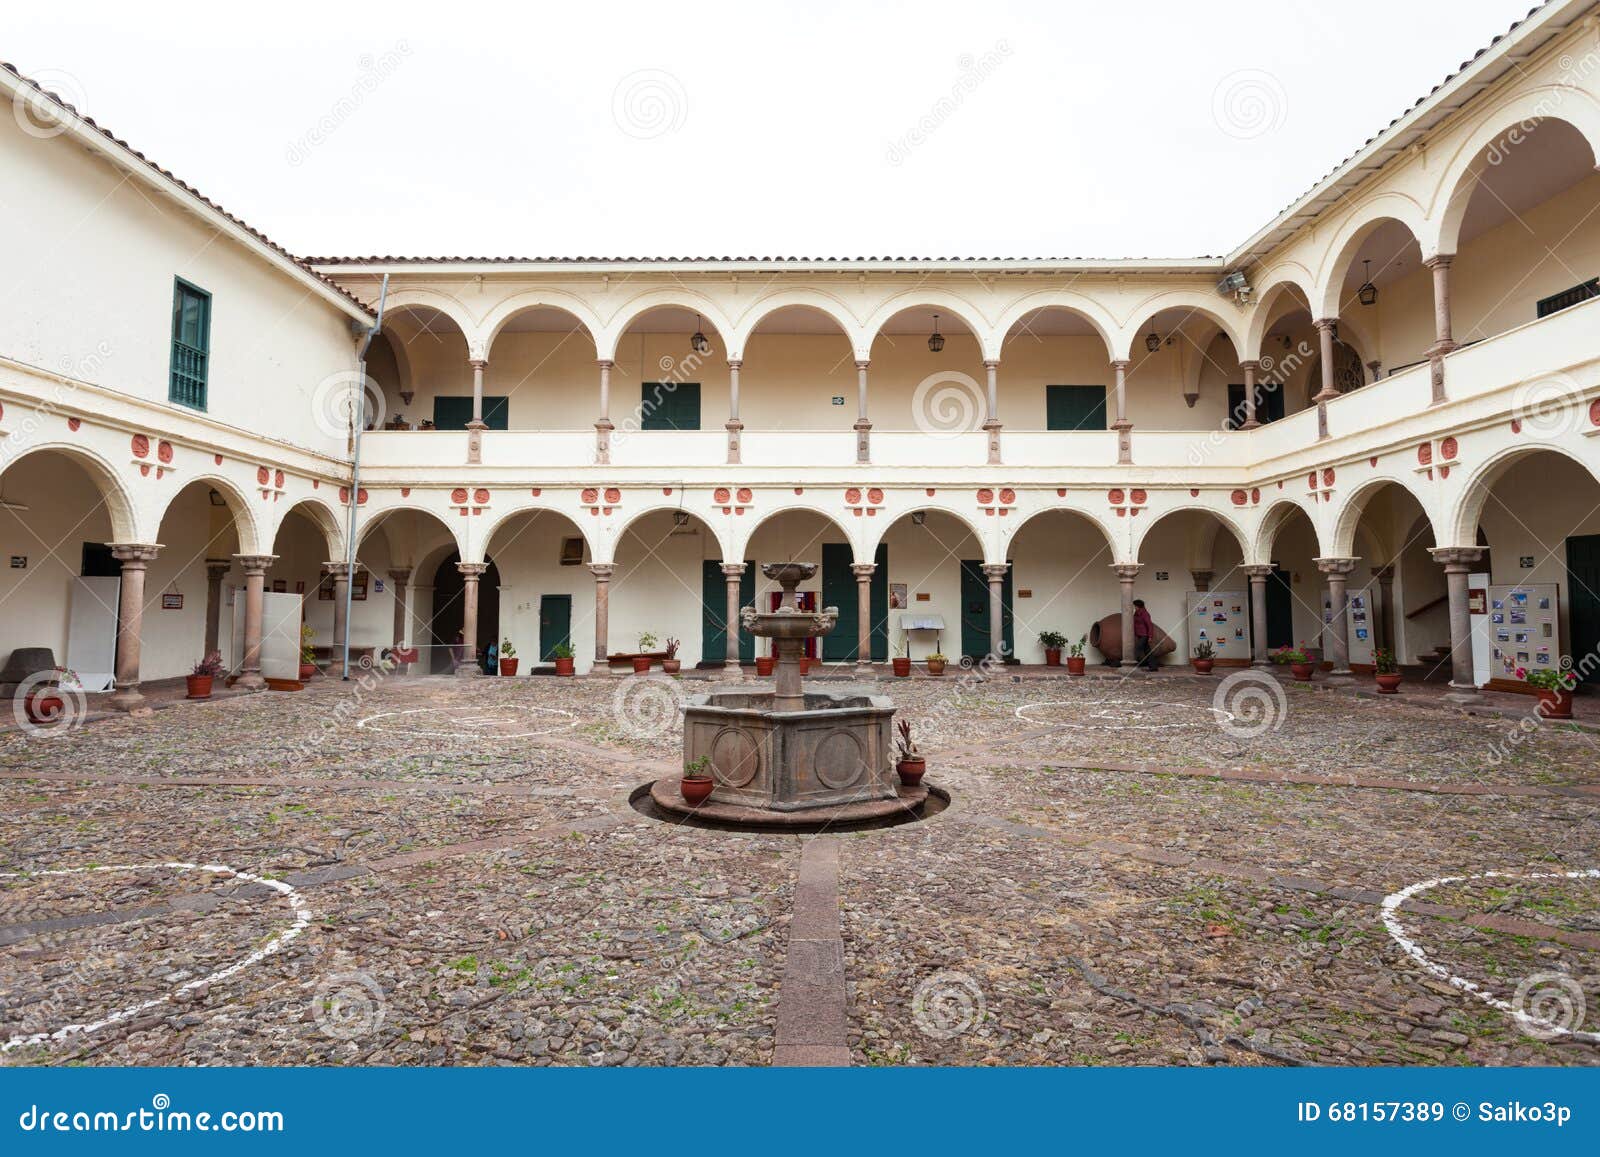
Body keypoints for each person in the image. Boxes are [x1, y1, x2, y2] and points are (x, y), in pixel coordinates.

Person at [1132, 598, 1158, 671]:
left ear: (1138, 606)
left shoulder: (1145, 614)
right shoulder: (1136, 614)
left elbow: (1150, 625)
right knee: (1147, 651)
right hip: (1140, 635)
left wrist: (1150, 636)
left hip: (1144, 635)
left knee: (1137, 648)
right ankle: (1153, 667)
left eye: (1135, 606)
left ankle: (1132, 666)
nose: (1134, 607)